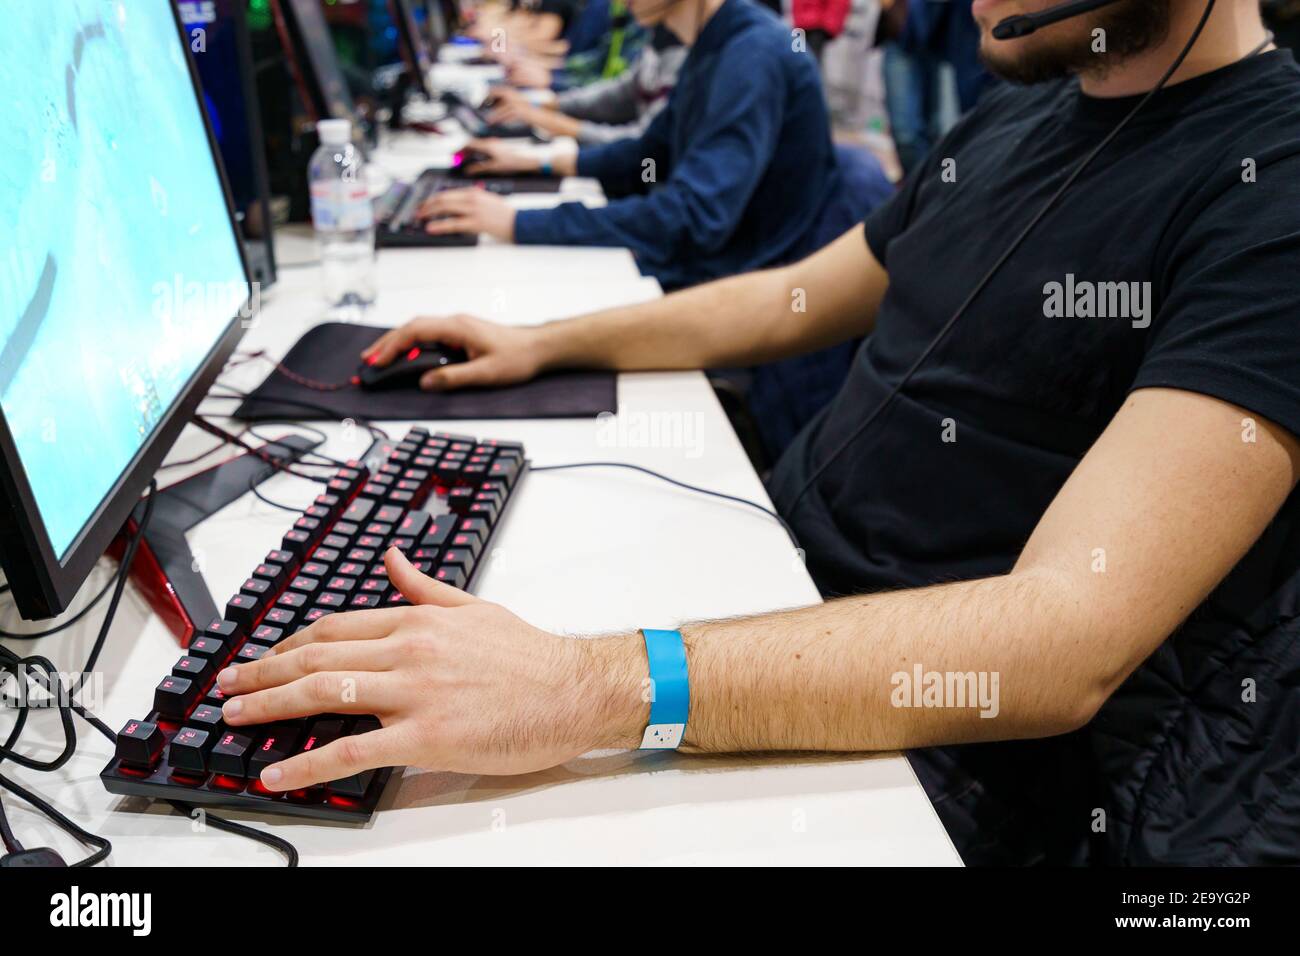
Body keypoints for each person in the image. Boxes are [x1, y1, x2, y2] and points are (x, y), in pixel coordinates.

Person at [216, 0, 1300, 864]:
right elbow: (786, 296)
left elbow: (1066, 637)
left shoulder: (1271, 191)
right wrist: (543, 340)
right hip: (772, 581)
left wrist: (592, 685)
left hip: (929, 748)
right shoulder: (1019, 110)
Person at [420, 0, 848, 292]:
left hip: (733, 286)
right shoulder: (713, 42)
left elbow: (692, 217)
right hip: (710, 267)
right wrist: (532, 161)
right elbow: (646, 155)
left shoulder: (750, 56)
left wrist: (519, 223)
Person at [486, 25, 686, 145]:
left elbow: (642, 144)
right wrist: (543, 105)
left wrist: (549, 118)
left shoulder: (688, 50)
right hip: (631, 159)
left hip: (644, 172)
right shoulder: (660, 37)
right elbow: (620, 90)